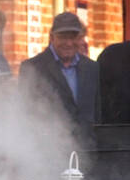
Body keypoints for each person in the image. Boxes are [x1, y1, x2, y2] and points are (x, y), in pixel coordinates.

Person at [19, 11, 99, 142]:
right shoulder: (32, 68)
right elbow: (25, 114)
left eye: (73, 37)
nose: (68, 43)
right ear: (51, 37)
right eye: (62, 37)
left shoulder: (92, 68)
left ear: (80, 38)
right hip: (49, 150)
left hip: (87, 151)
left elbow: (97, 115)